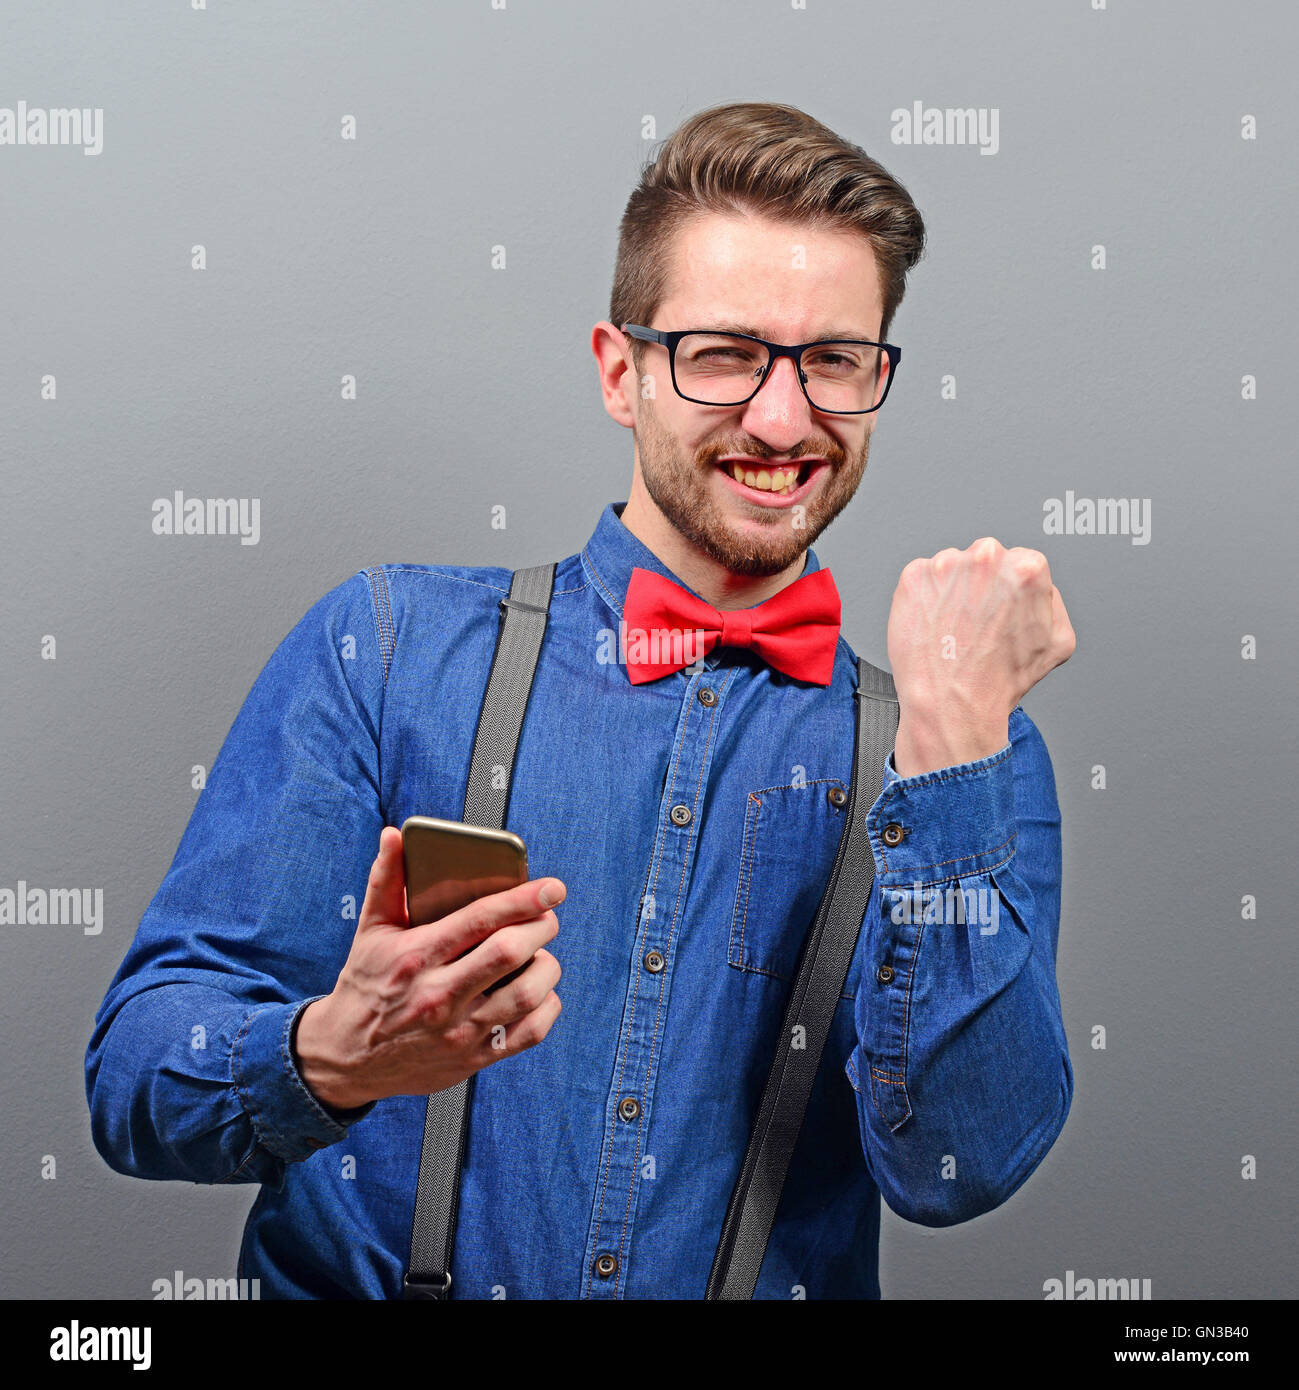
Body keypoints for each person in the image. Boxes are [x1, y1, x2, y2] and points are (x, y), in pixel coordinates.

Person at [85, 101, 1075, 1300]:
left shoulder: (959, 754)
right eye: (723, 352)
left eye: (833, 361)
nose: (780, 416)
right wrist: (331, 1055)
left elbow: (958, 1168)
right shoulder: (389, 648)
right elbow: (133, 1083)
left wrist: (956, 753)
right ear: (623, 372)